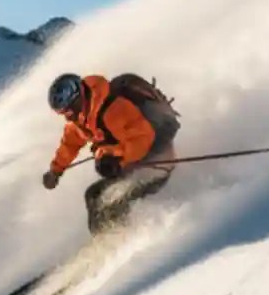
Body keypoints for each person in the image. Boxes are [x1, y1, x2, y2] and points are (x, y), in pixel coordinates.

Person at [42, 73, 180, 234]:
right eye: (64, 113)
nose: (69, 116)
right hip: (133, 164)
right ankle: (104, 239)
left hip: (157, 161)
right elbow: (70, 144)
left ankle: (126, 238)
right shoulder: (82, 120)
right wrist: (56, 171)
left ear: (80, 97)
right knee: (94, 196)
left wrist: (116, 157)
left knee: (115, 199)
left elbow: (143, 138)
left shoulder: (114, 109)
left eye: (70, 110)